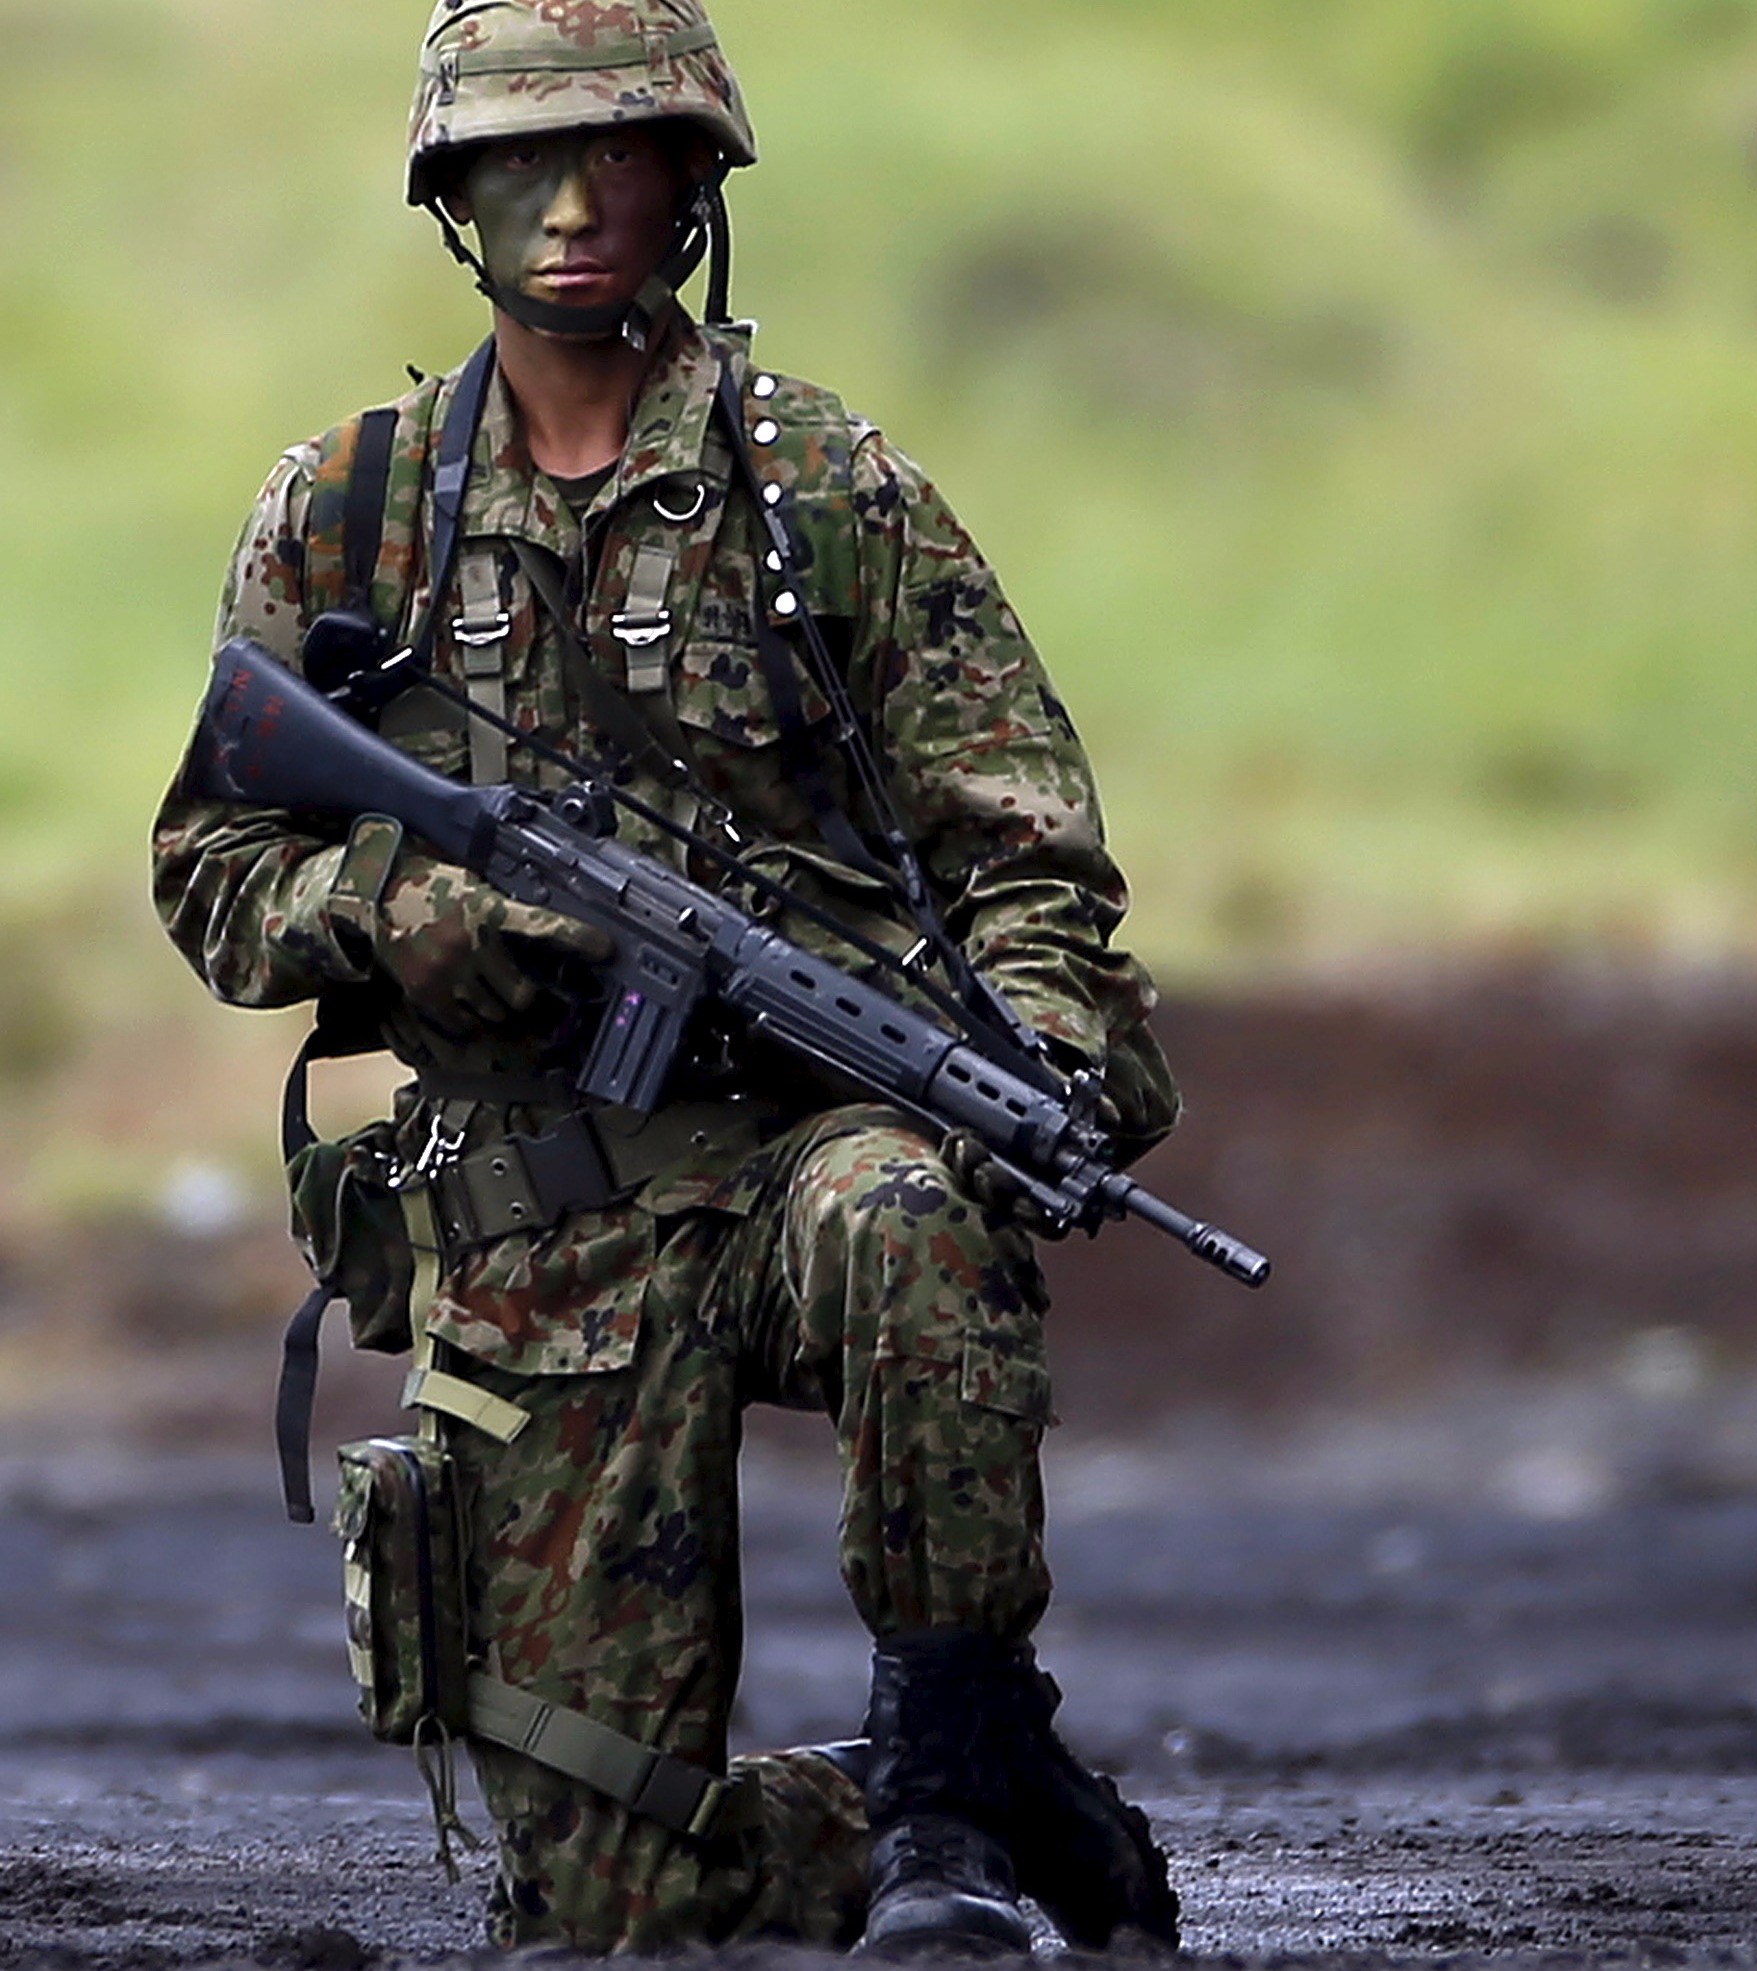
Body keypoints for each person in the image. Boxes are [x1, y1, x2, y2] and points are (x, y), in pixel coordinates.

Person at [150, 1, 1186, 1953]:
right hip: (541, 1229)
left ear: (693, 182)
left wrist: (1030, 1059)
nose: (569, 205)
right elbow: (214, 876)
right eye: (517, 163)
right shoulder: (355, 507)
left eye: (618, 154)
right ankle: (929, 1810)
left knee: (904, 1217)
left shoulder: (823, 499)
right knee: (617, 1901)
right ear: (451, 197)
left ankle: (959, 1780)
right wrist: (452, 918)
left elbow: (1027, 858)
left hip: (809, 1163)